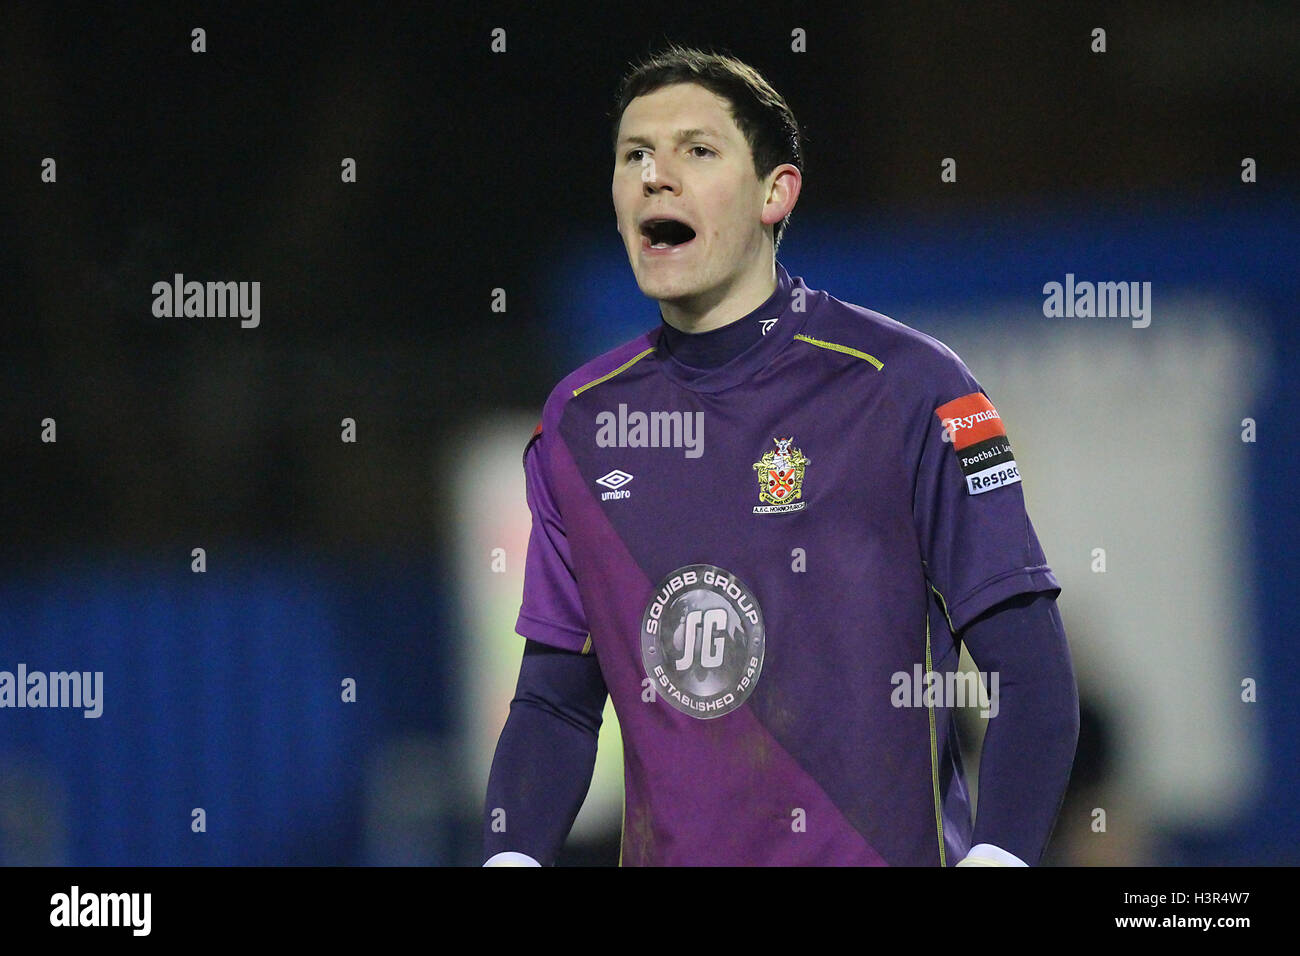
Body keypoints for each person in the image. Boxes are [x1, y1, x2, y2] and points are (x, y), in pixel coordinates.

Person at [483, 44, 1078, 867]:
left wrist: (999, 859)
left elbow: (1032, 675)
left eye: (696, 150)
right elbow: (554, 706)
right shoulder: (579, 424)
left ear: (775, 192)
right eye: (634, 156)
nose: (657, 175)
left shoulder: (913, 388)